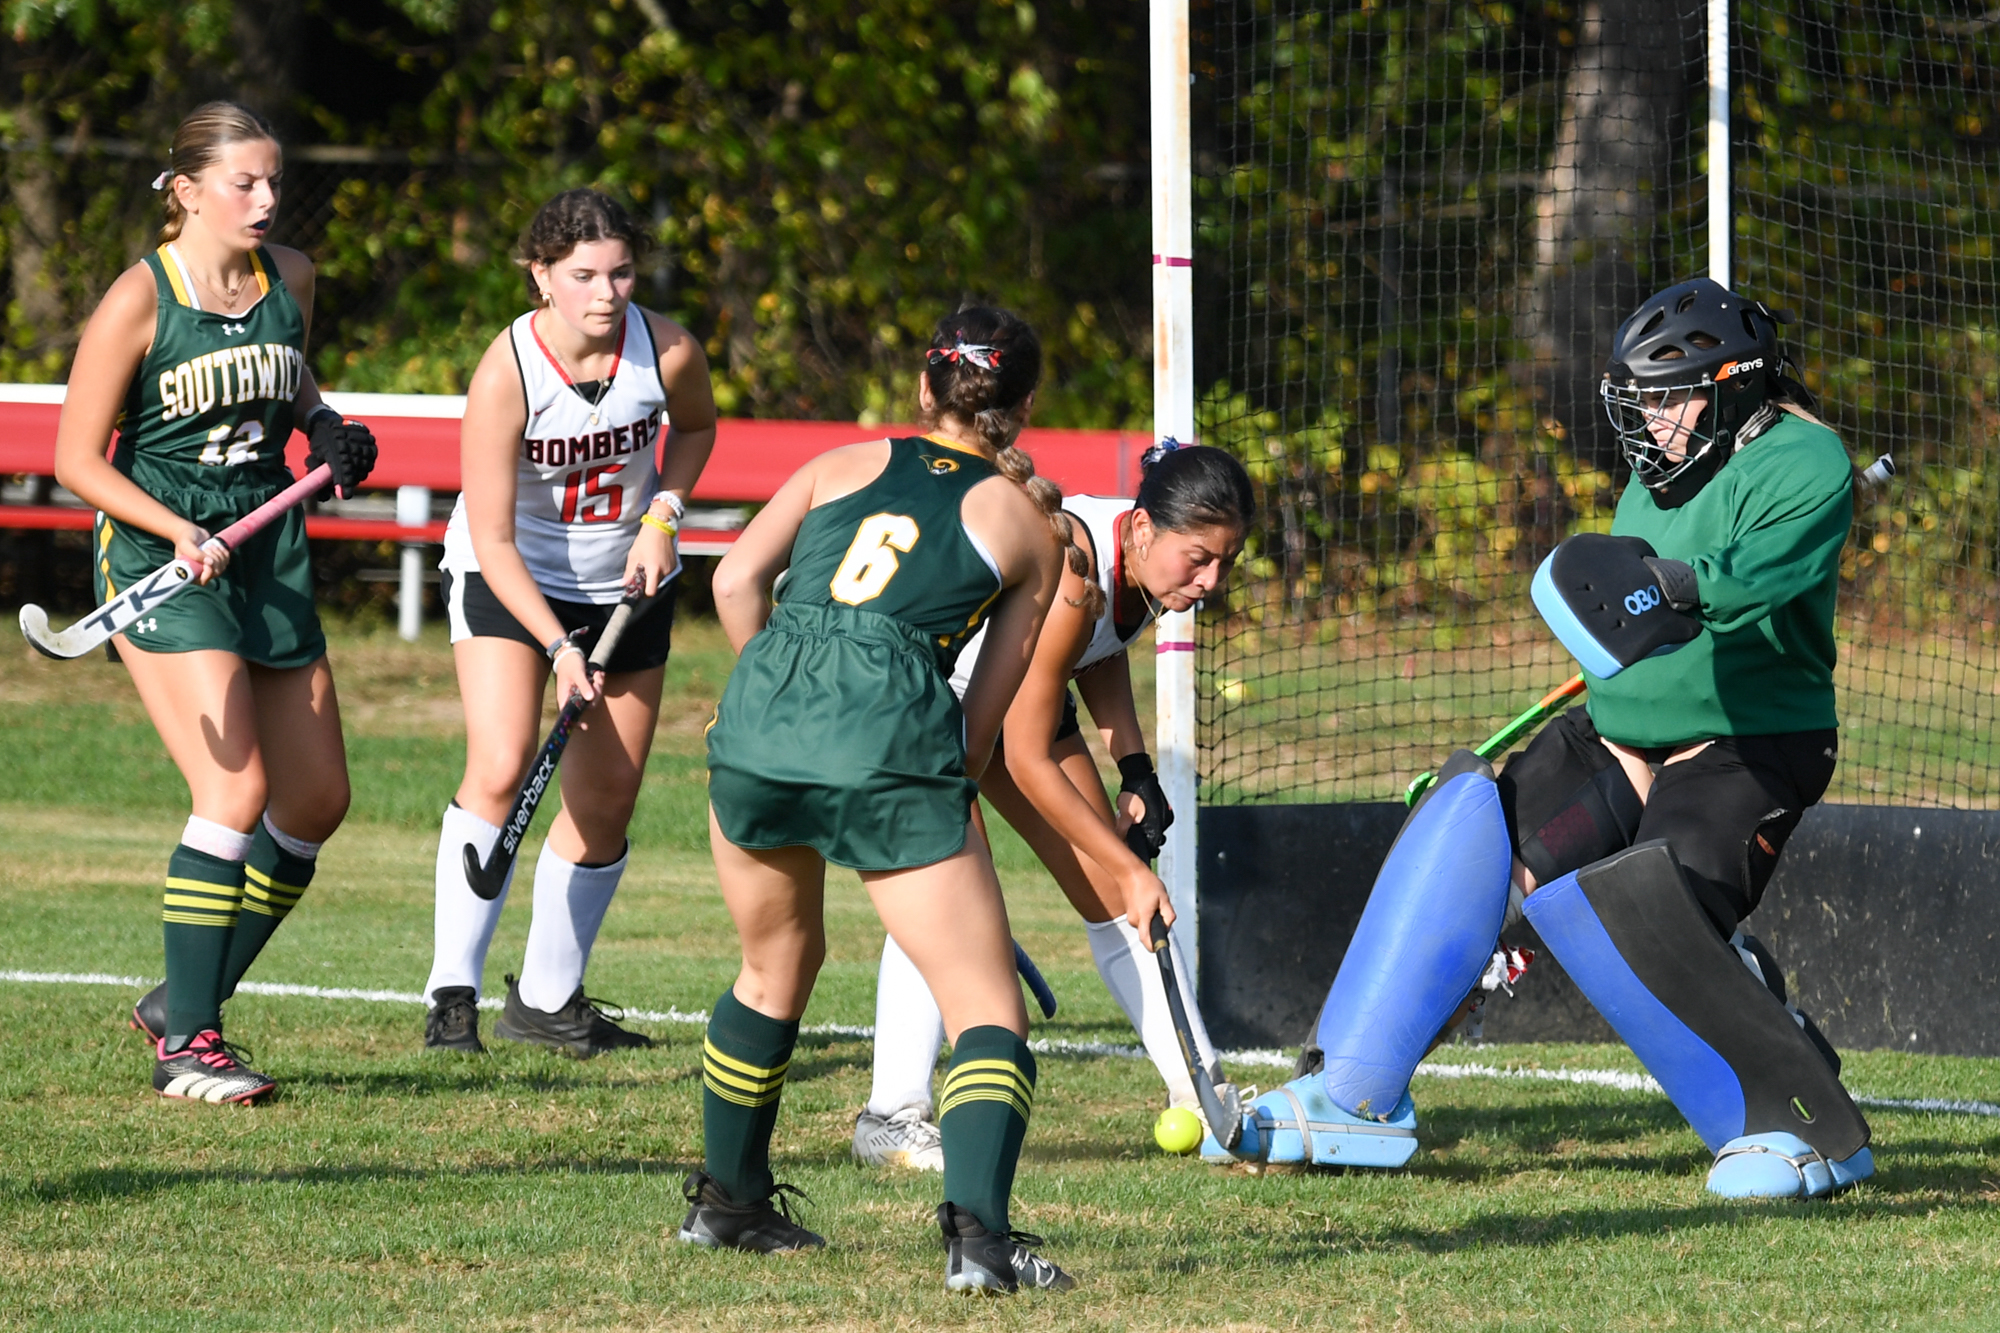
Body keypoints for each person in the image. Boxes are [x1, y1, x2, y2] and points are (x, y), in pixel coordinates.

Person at [1235, 277, 1875, 1201]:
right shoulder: (1663, 467)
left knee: (1650, 913)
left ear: (1734, 384)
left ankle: (1807, 1129)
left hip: (1748, 741)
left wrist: (1674, 586)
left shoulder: (1805, 459)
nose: (1651, 422)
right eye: (1642, 402)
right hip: (1617, 731)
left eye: (1669, 397)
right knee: (1472, 857)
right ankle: (1353, 1095)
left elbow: (1749, 581)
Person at [685, 306, 1162, 1293]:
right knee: (984, 1003)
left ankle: (726, 1205)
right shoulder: (1031, 524)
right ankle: (979, 1242)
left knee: (772, 969)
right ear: (1024, 407)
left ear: (921, 390)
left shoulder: (838, 462)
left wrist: (779, 694)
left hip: (763, 707)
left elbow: (735, 579)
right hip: (885, 727)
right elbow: (982, 730)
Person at [54, 102, 377, 1103]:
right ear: (188, 190)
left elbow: (286, 381)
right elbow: (73, 459)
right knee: (233, 793)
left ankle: (181, 998)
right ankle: (189, 1044)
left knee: (315, 799)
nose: (267, 199)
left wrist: (324, 425)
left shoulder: (294, 277)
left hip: (266, 541)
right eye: (245, 182)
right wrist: (177, 528)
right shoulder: (138, 300)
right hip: (164, 553)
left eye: (274, 181)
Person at [852, 441, 1254, 1170]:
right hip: (913, 689)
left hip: (995, 696)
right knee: (942, 890)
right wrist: (1128, 865)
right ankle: (889, 1116)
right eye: (1198, 558)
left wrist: (1136, 767)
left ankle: (1201, 1089)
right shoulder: (1073, 567)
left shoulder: (1141, 568)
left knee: (1114, 897)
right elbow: (1028, 756)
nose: (1211, 579)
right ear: (1140, 527)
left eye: (1225, 562)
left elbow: (1101, 645)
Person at [419, 189, 716, 1057]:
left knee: (607, 798)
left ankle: (548, 1000)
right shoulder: (508, 369)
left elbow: (694, 430)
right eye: (583, 274)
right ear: (540, 274)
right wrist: (557, 648)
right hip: (512, 580)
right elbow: (496, 534)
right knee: (504, 763)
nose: (606, 292)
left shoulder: (667, 350)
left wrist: (665, 511)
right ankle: (452, 994)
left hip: (627, 580)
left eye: (621, 272)